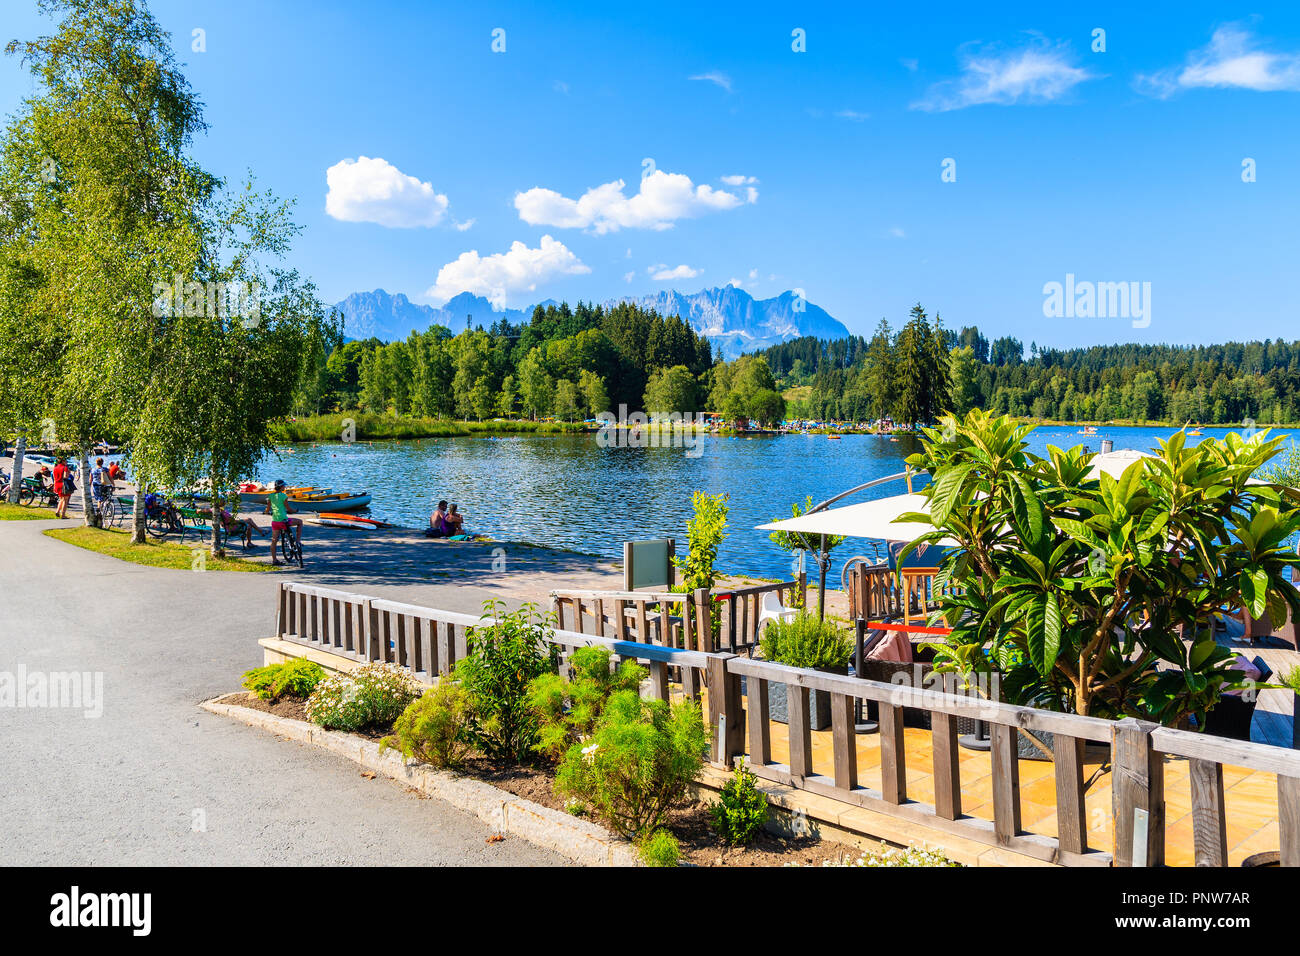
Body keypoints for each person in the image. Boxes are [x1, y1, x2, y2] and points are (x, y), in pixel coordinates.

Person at [262, 479, 302, 564]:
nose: (285, 487)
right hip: (284, 521)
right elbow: (289, 509)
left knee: (274, 541)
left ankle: (274, 560)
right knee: (300, 522)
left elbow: (267, 509)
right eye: (284, 486)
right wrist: (294, 511)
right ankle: (298, 542)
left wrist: (266, 512)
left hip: (275, 522)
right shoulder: (283, 496)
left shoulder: (271, 496)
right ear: (281, 487)